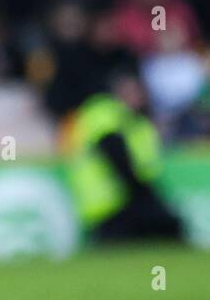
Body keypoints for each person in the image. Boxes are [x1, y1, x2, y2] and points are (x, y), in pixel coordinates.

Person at [63, 71, 184, 243]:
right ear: (117, 92)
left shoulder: (140, 123)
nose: (135, 96)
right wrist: (147, 199)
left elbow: (145, 168)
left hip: (127, 201)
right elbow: (116, 154)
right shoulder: (102, 112)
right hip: (108, 205)